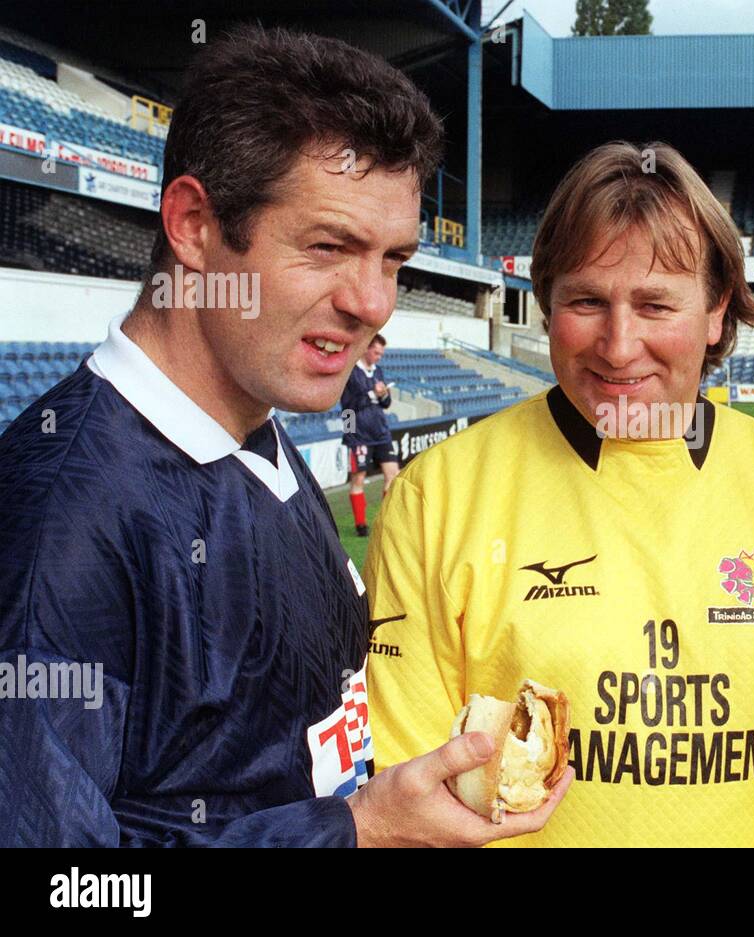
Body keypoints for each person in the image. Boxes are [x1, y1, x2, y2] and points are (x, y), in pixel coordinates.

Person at [0, 25, 568, 847]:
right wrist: (356, 831)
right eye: (330, 247)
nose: (372, 303)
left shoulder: (256, 430)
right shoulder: (58, 528)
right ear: (194, 224)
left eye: (393, 259)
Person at [363, 141, 754, 847]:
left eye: (656, 304)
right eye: (587, 301)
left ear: (717, 311)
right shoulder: (435, 499)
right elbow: (408, 777)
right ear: (546, 305)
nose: (619, 347)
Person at [343, 333, 399, 536]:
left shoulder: (379, 371)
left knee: (393, 475)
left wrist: (383, 395)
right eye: (376, 352)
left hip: (381, 432)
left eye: (381, 354)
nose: (379, 357)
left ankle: (386, 520)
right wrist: (371, 394)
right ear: (366, 348)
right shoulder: (350, 372)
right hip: (359, 435)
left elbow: (386, 404)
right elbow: (347, 408)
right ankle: (361, 525)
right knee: (358, 479)